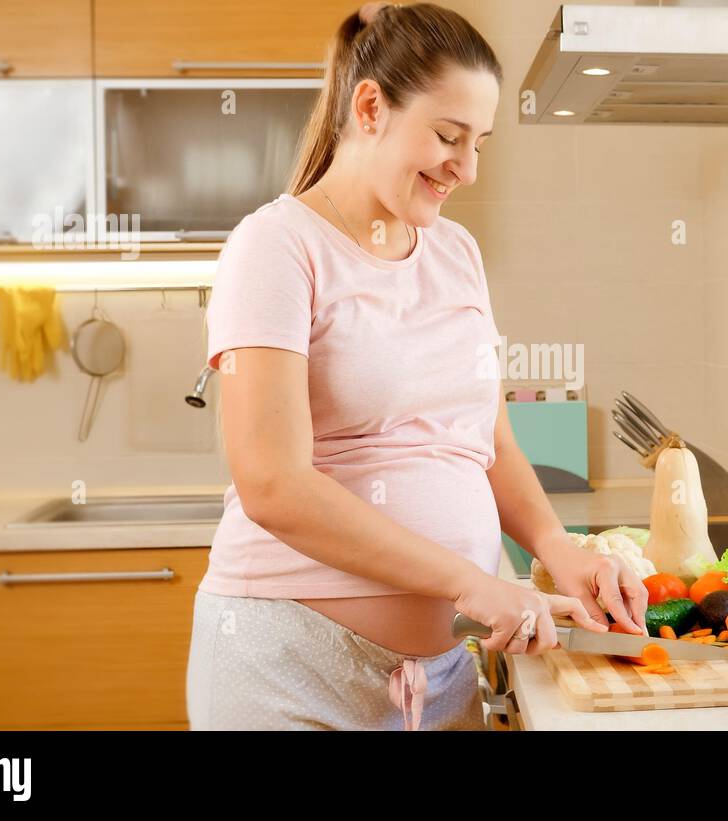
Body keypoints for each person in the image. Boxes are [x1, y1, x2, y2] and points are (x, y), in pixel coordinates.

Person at [186, 2, 648, 731]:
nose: (465, 168)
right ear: (369, 106)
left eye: (480, 143)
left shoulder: (457, 254)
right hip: (287, 670)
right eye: (447, 136)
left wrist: (561, 549)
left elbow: (489, 443)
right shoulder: (274, 248)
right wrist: (473, 582)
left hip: (443, 681)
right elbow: (272, 483)